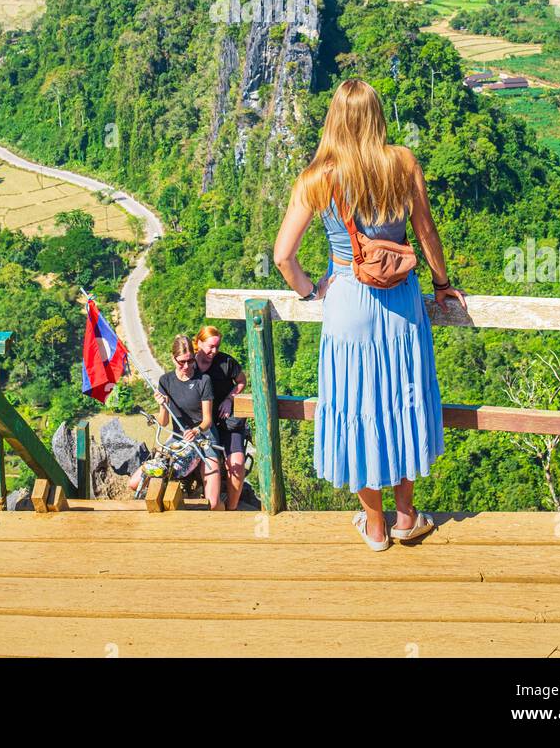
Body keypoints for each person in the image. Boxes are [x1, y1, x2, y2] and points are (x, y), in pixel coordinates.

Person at [273, 78, 466, 552]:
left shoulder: (318, 177)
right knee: (402, 400)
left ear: (335, 118)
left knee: (358, 408)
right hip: (401, 303)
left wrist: (311, 288)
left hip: (346, 302)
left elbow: (283, 255)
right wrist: (442, 286)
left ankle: (374, 526)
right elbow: (426, 234)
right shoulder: (402, 163)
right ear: (377, 116)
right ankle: (406, 519)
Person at [128, 334, 224, 510]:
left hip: (204, 437)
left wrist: (196, 431)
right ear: (173, 359)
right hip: (178, 437)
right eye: (182, 362)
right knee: (135, 483)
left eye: (190, 361)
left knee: (214, 502)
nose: (187, 366)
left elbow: (208, 420)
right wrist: (163, 405)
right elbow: (163, 422)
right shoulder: (166, 381)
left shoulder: (203, 380)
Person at [193, 325, 248, 510]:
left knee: (237, 464)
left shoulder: (226, 362)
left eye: (217, 346)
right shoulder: (189, 365)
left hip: (227, 421)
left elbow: (242, 381)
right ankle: (211, 503)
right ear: (198, 343)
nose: (214, 351)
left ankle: (232, 508)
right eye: (210, 346)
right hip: (202, 424)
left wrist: (229, 399)